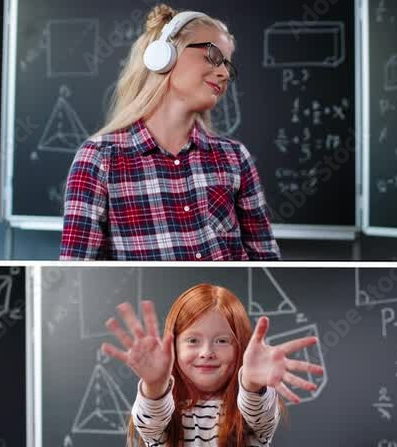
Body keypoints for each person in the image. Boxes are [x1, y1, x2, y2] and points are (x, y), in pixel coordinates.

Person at [60, 4, 281, 261]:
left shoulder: (233, 157)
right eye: (213, 55)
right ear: (165, 56)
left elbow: (266, 259)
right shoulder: (99, 159)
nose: (223, 73)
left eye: (227, 66)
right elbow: (77, 266)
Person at [101, 285, 323, 447]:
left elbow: (260, 411)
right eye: (193, 340)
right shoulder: (164, 410)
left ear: (241, 349)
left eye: (222, 341)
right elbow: (150, 418)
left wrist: (251, 382)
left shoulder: (250, 411)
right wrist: (154, 383)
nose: (207, 352)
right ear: (173, 347)